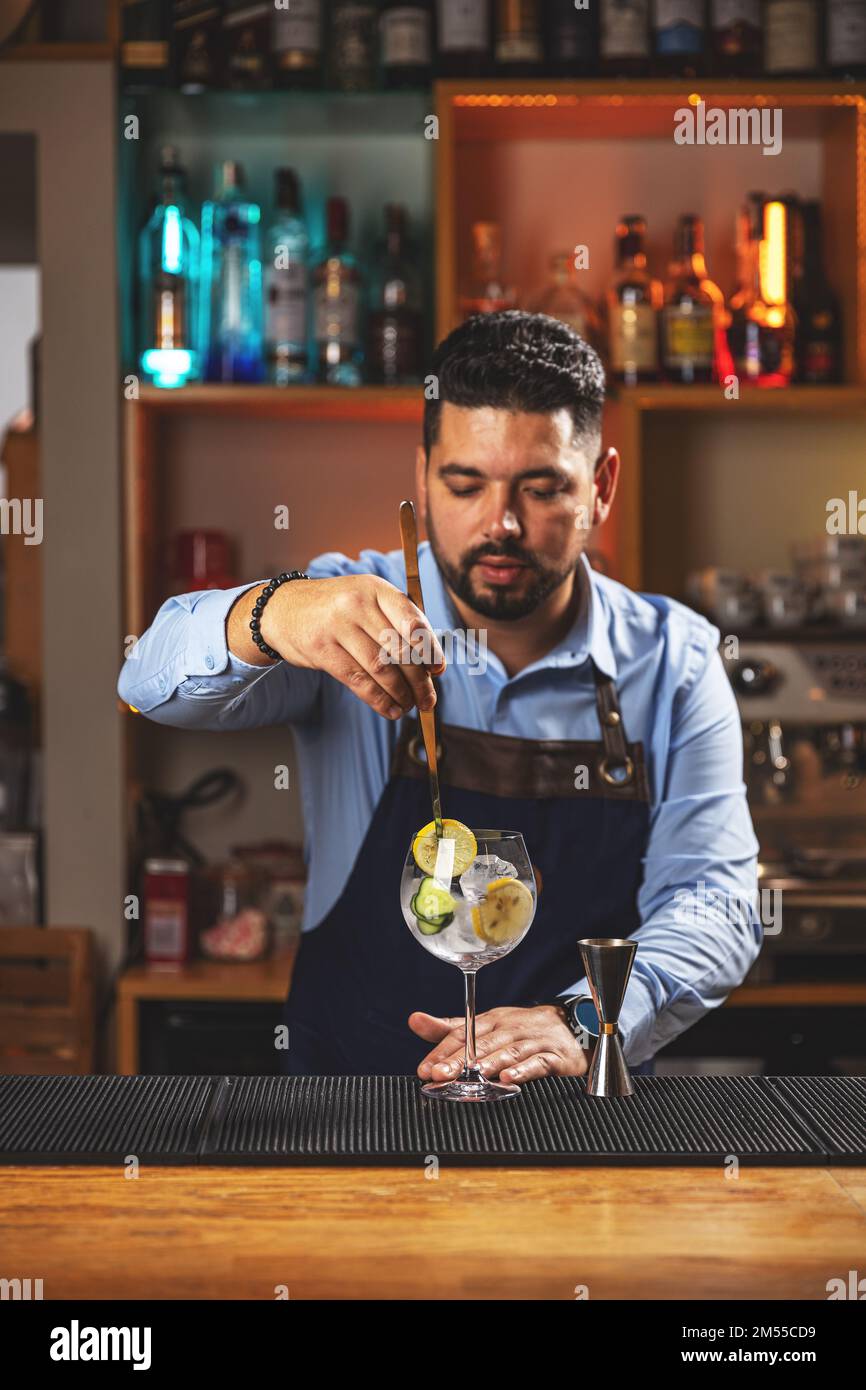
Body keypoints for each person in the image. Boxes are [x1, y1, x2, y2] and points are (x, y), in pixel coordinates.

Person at [118, 311, 761, 1084]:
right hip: (352, 1119)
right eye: (466, 484)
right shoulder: (342, 610)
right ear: (423, 478)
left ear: (602, 488)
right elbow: (146, 683)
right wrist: (274, 611)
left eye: (543, 487)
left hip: (582, 1132)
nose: (503, 525)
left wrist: (586, 1019)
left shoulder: (675, 659)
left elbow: (714, 901)